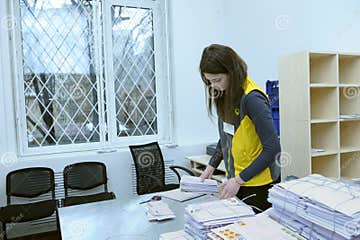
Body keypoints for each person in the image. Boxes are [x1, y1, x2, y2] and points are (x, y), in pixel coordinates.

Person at [199, 44, 281, 212]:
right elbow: (227, 136)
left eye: (217, 80)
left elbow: (273, 148)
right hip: (238, 180)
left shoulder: (252, 99)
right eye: (209, 81)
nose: (213, 86)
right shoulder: (226, 94)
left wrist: (238, 180)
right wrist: (211, 167)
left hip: (259, 185)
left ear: (232, 72)